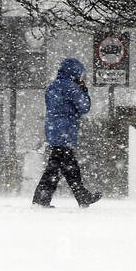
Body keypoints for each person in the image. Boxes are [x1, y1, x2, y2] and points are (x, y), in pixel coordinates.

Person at [33, 58, 100, 208]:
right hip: (66, 131)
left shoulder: (52, 87)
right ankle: (80, 196)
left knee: (58, 166)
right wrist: (83, 89)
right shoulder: (71, 87)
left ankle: (43, 199)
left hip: (54, 130)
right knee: (65, 166)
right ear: (75, 72)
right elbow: (84, 107)